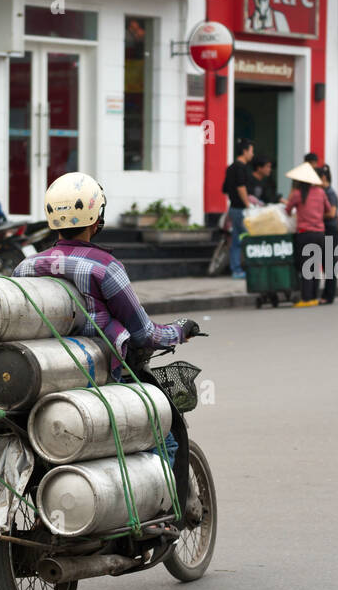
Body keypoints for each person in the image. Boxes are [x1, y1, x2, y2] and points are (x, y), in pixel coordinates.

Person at [12, 171, 201, 513]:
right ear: (96, 218)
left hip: (40, 379)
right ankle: (164, 512)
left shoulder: (26, 267)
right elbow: (144, 334)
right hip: (103, 376)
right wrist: (180, 329)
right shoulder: (104, 267)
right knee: (165, 434)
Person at [283, 162, 334, 307]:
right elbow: (329, 211)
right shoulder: (321, 192)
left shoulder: (298, 194)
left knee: (306, 266)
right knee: (316, 266)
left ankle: (306, 298)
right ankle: (313, 296)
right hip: (319, 233)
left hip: (304, 234)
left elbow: (287, 210)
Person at [223, 138, 257, 280]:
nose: (252, 154)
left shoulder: (231, 167)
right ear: (245, 151)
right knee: (251, 237)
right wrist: (248, 206)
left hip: (233, 208)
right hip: (241, 210)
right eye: (251, 151)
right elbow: (241, 188)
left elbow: (224, 188)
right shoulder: (240, 168)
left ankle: (236, 269)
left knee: (236, 240)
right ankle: (252, 267)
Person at [319, 165, 338, 303]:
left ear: (324, 178)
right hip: (324, 229)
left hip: (330, 229)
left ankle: (329, 295)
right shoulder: (322, 192)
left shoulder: (329, 193)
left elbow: (332, 213)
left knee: (329, 264)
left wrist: (316, 215)